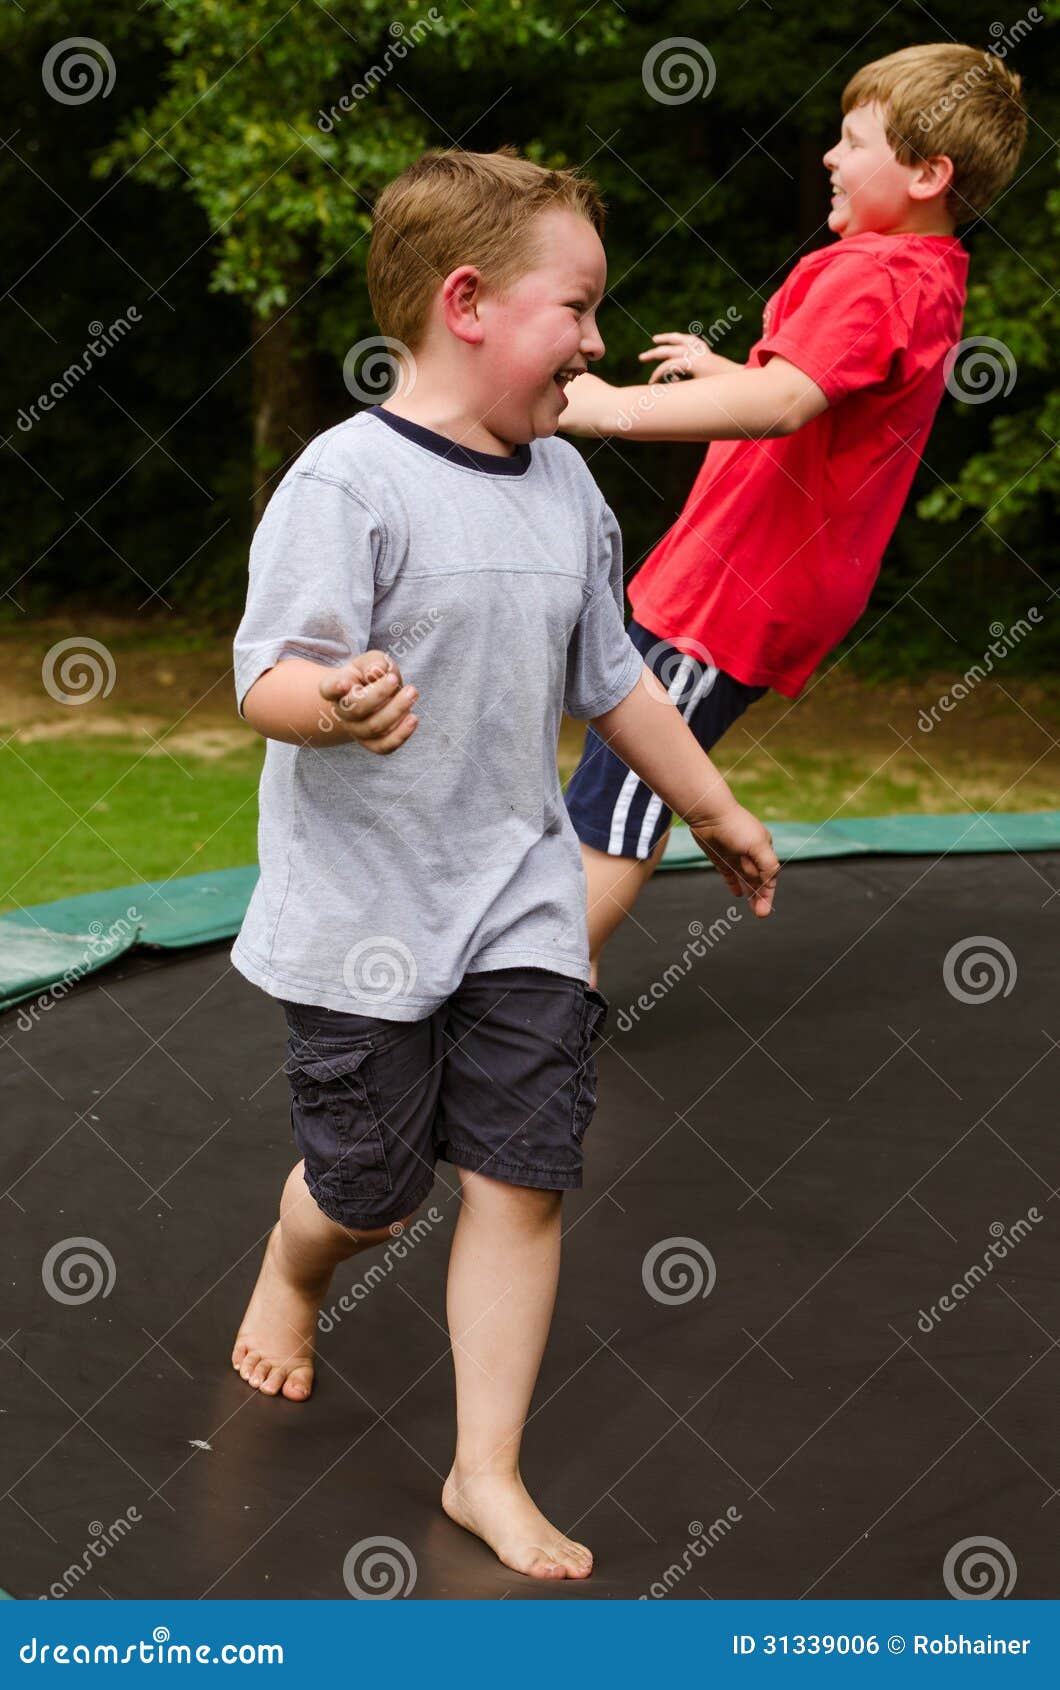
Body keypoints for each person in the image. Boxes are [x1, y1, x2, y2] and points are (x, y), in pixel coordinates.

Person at [227, 146, 779, 1581]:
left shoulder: (567, 494)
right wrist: (330, 701)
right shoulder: (349, 481)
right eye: (579, 307)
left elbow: (616, 678)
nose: (600, 341)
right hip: (362, 915)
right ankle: (296, 1265)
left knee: (521, 1179)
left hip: (518, 903)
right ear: (467, 302)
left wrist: (712, 803)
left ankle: (486, 1468)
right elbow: (267, 677)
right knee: (373, 1190)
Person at [558, 43, 1028, 985]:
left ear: (928, 173)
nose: (829, 157)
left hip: (734, 595)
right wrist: (736, 373)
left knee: (624, 794)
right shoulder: (925, 270)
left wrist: (608, 406)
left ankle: (540, 1004)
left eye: (853, 142)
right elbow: (828, 399)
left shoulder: (875, 274)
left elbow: (785, 407)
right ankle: (537, 994)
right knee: (615, 773)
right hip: (736, 578)